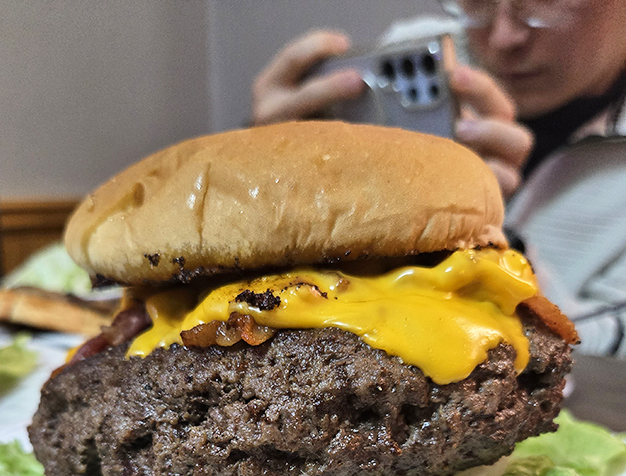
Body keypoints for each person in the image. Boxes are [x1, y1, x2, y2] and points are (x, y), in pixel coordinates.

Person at [250, 1, 626, 355]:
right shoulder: (417, 51)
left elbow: (607, 355)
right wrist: (269, 180)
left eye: (546, 2)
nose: (503, 39)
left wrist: (489, 240)